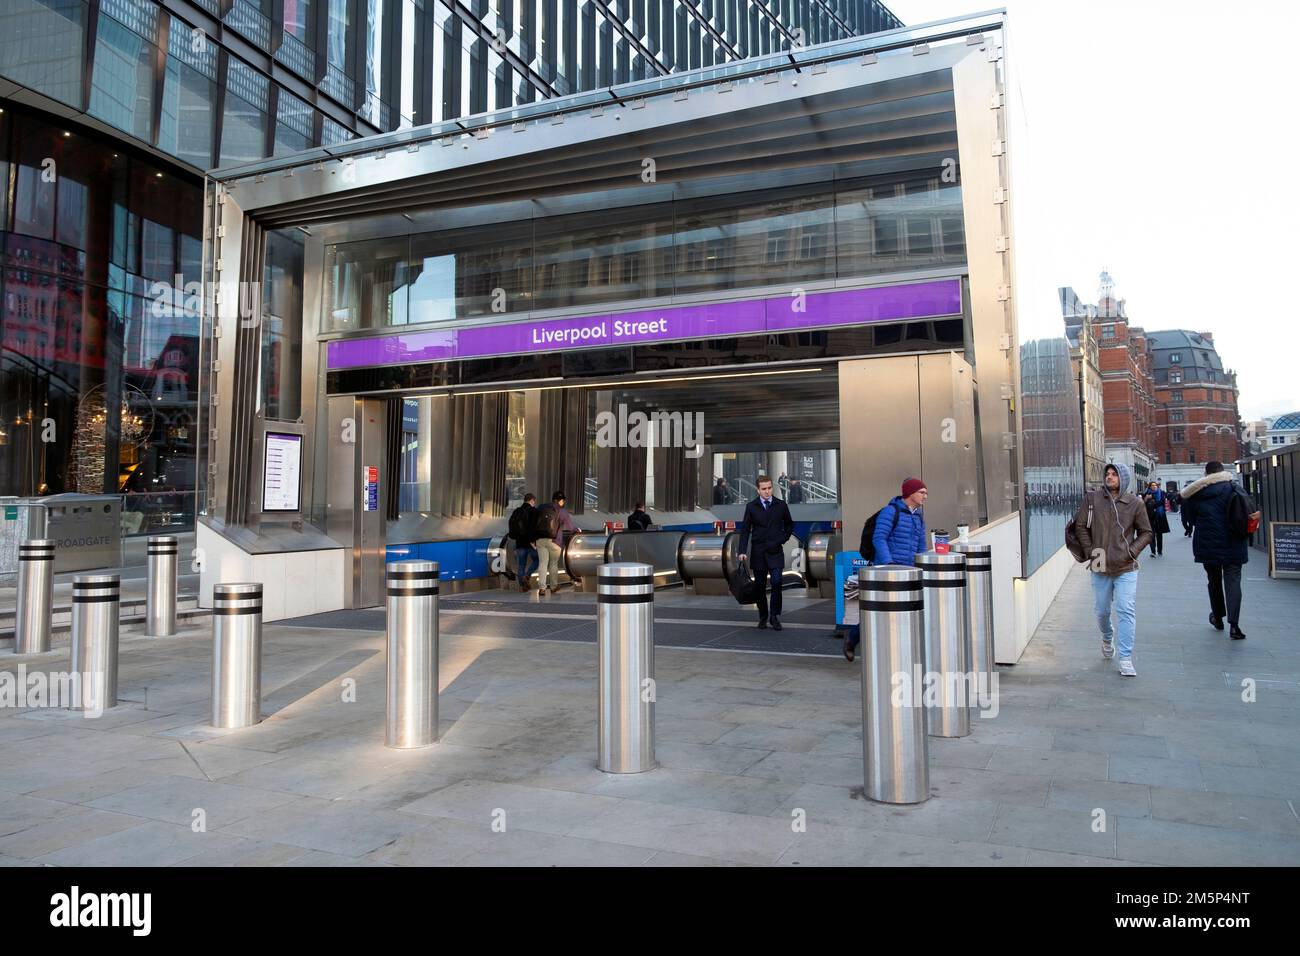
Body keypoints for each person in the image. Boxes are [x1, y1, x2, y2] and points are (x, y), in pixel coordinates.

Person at [1073, 463, 1152, 676]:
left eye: (1114, 474)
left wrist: (1131, 552)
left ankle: (1125, 658)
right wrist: (1090, 550)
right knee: (1101, 611)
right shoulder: (1092, 499)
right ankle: (1107, 636)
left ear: (1123, 478)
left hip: (1127, 566)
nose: (1109, 477)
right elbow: (1080, 526)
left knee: (1126, 610)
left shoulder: (1135, 503)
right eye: (1107, 474)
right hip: (1099, 563)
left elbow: (1146, 532)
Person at [843, 478, 928, 662]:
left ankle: (897, 652)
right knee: (877, 611)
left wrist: (921, 567)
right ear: (911, 493)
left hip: (908, 572)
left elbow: (921, 545)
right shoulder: (891, 512)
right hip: (887, 569)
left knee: (903, 613)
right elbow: (879, 538)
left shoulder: (918, 516)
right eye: (922, 492)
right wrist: (888, 564)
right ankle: (852, 638)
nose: (925, 496)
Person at [1180, 461, 1258, 640]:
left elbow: (1190, 519)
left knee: (1213, 580)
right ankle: (1234, 625)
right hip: (1234, 542)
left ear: (1206, 474)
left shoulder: (1197, 493)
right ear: (1222, 471)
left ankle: (1218, 617)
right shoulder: (1235, 488)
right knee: (1233, 581)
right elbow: (1249, 511)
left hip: (1209, 544)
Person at [737, 475, 794, 630]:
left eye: (769, 488)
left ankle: (774, 616)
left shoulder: (781, 505)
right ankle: (763, 616)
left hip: (775, 550)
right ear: (758, 490)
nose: (767, 491)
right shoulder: (751, 506)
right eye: (764, 489)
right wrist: (742, 550)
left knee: (777, 582)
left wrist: (782, 539)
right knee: (759, 587)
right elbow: (745, 530)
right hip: (759, 552)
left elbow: (789, 525)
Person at [533, 491, 580, 597]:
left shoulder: (541, 508)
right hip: (555, 541)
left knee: (542, 563)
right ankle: (554, 587)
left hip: (540, 539)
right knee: (553, 564)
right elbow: (570, 527)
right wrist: (577, 530)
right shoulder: (562, 511)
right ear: (561, 501)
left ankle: (542, 588)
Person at [507, 493, 539, 592]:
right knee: (537, 560)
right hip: (530, 542)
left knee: (521, 565)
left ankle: (523, 586)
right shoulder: (533, 511)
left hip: (519, 542)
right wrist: (533, 540)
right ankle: (527, 576)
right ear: (532, 501)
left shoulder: (517, 511)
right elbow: (534, 527)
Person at [1141, 480, 1170, 557]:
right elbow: (1141, 505)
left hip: (1160, 516)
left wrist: (1153, 500)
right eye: (1152, 485)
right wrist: (1146, 499)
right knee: (1152, 535)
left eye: (1155, 485)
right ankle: (1153, 551)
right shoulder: (1146, 494)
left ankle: (1160, 550)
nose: (1154, 487)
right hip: (1150, 517)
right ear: (1149, 486)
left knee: (1159, 534)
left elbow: (1162, 502)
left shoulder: (1162, 493)